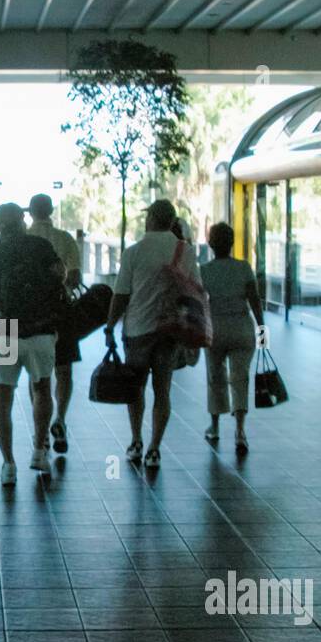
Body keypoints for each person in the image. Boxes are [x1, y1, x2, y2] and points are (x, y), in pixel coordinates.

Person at [105, 199, 202, 469]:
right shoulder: (186, 252)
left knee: (135, 388)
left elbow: (121, 294)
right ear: (172, 221)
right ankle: (155, 448)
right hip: (170, 330)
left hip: (138, 329)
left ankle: (136, 440)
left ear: (150, 219)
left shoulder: (134, 252)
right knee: (163, 390)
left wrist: (110, 326)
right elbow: (196, 291)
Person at [0, 202, 66, 486]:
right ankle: (39, 450)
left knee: (2, 398)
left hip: (4, 329)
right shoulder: (40, 246)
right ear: (23, 220)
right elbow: (59, 277)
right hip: (40, 328)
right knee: (42, 389)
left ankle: (8, 464)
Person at [25, 193, 82, 454]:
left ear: (30, 213)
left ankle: (41, 433)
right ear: (50, 211)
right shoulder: (65, 239)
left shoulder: (23, 240)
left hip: (30, 315)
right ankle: (60, 419)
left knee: (37, 375)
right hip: (61, 313)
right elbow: (75, 277)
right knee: (64, 370)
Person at [200, 222, 263, 453]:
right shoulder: (244, 268)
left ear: (211, 244)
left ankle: (215, 427)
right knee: (240, 378)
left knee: (215, 377)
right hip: (241, 328)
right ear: (232, 243)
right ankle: (240, 431)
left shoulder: (204, 270)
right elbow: (254, 300)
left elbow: (198, 301)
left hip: (215, 329)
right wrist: (262, 332)